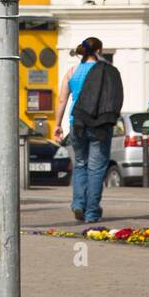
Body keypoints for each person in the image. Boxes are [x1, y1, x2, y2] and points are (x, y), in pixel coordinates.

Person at [54, 38, 124, 224]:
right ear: (99, 50)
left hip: (77, 124)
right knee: (96, 168)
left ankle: (78, 204)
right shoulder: (106, 71)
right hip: (99, 125)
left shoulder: (72, 72)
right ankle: (92, 212)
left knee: (80, 164)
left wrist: (57, 124)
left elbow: (62, 100)